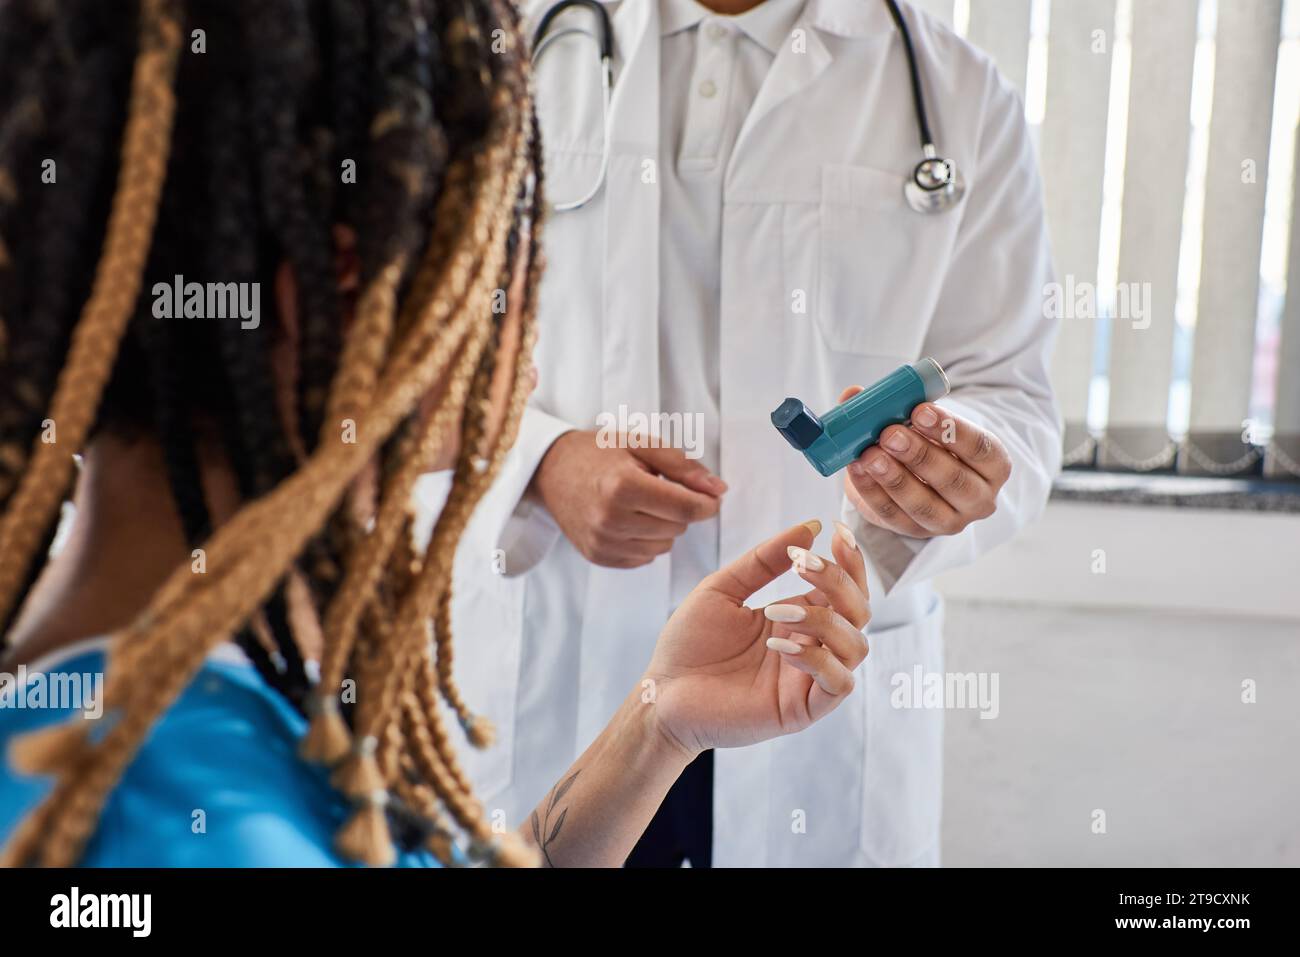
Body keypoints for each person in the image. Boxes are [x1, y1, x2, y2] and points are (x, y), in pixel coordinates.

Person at [0, 0, 869, 868]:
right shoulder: (199, 822)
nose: (528, 306)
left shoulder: (148, 724)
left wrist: (659, 721)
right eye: (504, 241)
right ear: (349, 290)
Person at [438, 0, 1062, 867]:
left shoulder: (959, 96)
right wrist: (540, 462)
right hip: (562, 672)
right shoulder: (501, 56)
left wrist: (948, 465)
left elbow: (1013, 394)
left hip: (812, 696)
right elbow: (398, 362)